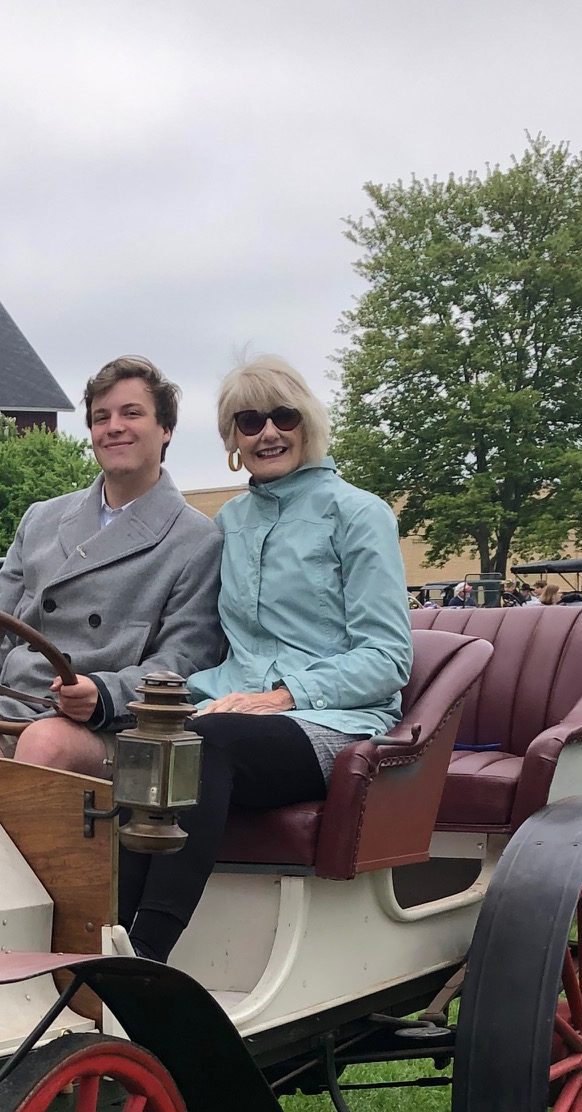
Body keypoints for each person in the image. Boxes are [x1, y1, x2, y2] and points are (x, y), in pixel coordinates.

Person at [117, 355, 412, 963]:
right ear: (232, 440)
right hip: (237, 710)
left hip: (338, 723)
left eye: (283, 416)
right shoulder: (231, 521)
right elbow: (224, 651)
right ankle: (102, 937)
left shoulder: (359, 513)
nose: (268, 433)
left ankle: (146, 953)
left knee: (207, 745)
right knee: (133, 739)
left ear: (309, 424)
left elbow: (387, 659)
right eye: (249, 422)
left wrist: (281, 697)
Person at [0, 354, 223, 776]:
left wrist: (104, 694)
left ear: (166, 430)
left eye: (132, 413)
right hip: (9, 707)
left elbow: (185, 661)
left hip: (113, 725)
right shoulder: (41, 519)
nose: (114, 427)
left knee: (46, 745)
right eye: (100, 417)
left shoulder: (196, 539)